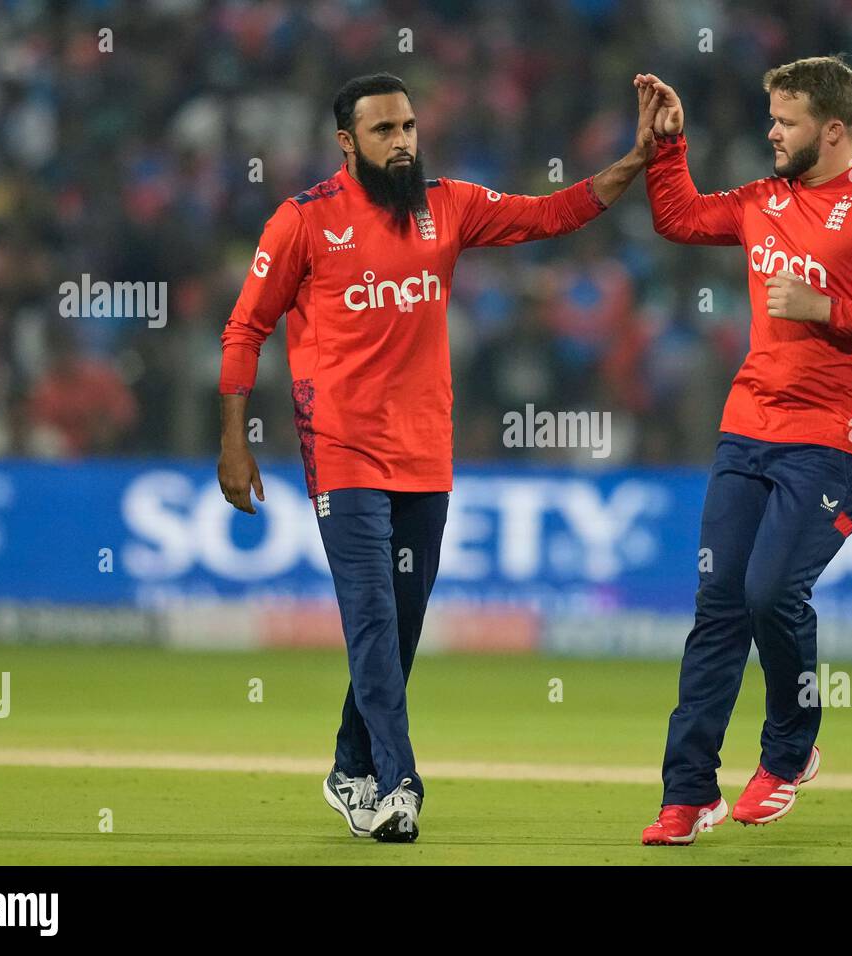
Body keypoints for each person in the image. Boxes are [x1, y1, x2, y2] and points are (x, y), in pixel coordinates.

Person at [216, 72, 658, 843]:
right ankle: (397, 785)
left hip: (424, 452)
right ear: (346, 143)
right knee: (373, 617)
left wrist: (638, 158)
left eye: (409, 127)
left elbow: (550, 214)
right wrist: (233, 438)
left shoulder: (446, 206)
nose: (403, 142)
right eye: (384, 131)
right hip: (342, 449)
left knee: (403, 625)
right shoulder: (304, 221)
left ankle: (350, 765)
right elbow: (245, 327)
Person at [634, 57, 852, 845]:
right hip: (747, 428)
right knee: (719, 607)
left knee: (772, 594)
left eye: (788, 120)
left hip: (837, 442)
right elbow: (680, 218)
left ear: (833, 130)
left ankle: (791, 751)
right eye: (772, 116)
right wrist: (668, 147)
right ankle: (687, 791)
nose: (772, 130)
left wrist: (824, 307)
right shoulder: (763, 199)